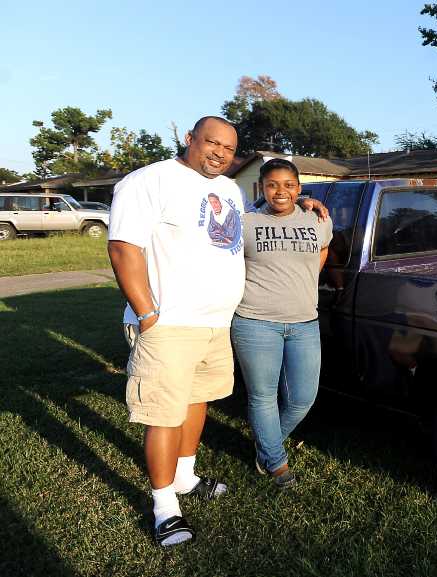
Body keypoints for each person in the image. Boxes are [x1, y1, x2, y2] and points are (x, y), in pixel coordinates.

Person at [107, 116, 325, 547]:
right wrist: (147, 313)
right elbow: (123, 247)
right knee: (164, 414)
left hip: (217, 322)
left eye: (229, 148)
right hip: (169, 323)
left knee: (196, 401)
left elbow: (265, 213)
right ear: (189, 139)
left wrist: (303, 200)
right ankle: (165, 508)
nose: (220, 153)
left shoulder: (229, 189)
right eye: (212, 143)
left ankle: (185, 477)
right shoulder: (149, 181)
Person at [230, 158, 332, 489]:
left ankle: (266, 444)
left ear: (299, 188)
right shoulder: (246, 222)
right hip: (255, 322)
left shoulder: (317, 218)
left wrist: (305, 276)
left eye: (289, 185)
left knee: (303, 398)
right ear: (261, 188)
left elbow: (324, 248)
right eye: (272, 185)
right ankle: (275, 463)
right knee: (263, 396)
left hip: (304, 323)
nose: (281, 191)